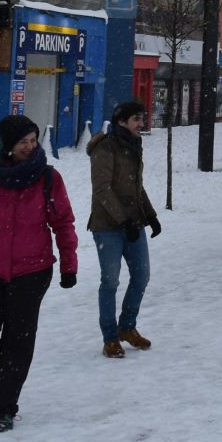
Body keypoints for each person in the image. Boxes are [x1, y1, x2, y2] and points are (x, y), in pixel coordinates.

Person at [0, 115, 78, 433]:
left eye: (33, 140)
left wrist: (69, 264)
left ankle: (4, 407)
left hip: (33, 270)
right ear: (8, 145)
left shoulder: (48, 178)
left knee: (17, 342)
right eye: (23, 141)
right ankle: (6, 388)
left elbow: (63, 222)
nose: (30, 146)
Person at [86, 100, 161, 358]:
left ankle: (127, 327)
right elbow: (102, 189)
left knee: (142, 276)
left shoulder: (134, 144)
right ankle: (110, 338)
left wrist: (150, 216)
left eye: (142, 118)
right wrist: (123, 220)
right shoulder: (105, 148)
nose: (141, 123)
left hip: (134, 224)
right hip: (107, 227)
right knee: (110, 281)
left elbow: (136, 185)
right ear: (121, 121)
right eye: (136, 119)